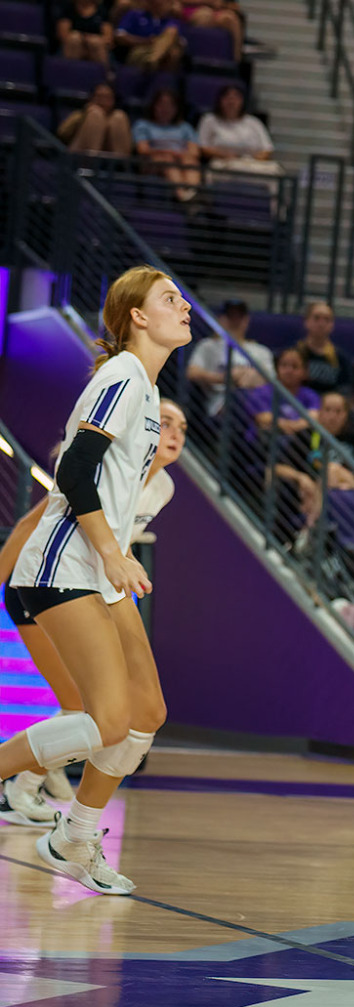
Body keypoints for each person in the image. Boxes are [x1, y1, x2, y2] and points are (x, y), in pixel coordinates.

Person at [0, 267, 189, 892]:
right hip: (66, 562)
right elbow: (74, 473)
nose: (183, 306)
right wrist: (112, 552)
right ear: (136, 315)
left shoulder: (147, 397)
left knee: (146, 713)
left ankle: (75, 836)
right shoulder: (121, 376)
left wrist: (111, 556)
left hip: (98, 568)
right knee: (106, 718)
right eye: (169, 299)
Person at [0, 398, 185, 827]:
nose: (175, 433)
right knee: (87, 707)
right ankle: (22, 787)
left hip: (89, 588)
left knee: (90, 708)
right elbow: (31, 526)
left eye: (182, 427)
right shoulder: (109, 474)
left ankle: (25, 788)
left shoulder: (164, 488)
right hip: (43, 584)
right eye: (166, 423)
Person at [247, 347, 324, 533]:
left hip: (296, 450)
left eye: (295, 366)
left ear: (304, 371)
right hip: (263, 449)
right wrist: (295, 424)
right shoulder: (262, 392)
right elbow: (263, 419)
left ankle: (308, 529)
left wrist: (284, 424)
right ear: (277, 368)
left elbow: (313, 418)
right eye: (284, 365)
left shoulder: (309, 395)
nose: (289, 370)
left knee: (306, 438)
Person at [185, 297, 275, 417]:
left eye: (239, 317)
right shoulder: (208, 345)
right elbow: (192, 372)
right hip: (221, 403)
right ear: (222, 319)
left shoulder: (261, 351)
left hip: (254, 401)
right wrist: (223, 378)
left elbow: (272, 379)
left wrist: (246, 376)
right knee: (236, 400)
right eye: (231, 317)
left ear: (246, 320)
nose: (235, 321)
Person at [130, 86, 201, 202]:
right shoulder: (143, 125)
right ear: (154, 106)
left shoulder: (185, 127)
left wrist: (178, 155)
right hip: (151, 162)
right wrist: (167, 152)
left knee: (191, 161)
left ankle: (192, 193)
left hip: (180, 160)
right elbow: (142, 149)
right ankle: (184, 197)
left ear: (176, 108)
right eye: (162, 104)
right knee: (167, 159)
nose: (166, 109)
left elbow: (194, 152)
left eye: (170, 105)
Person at [196, 84, 278, 172]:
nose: (231, 101)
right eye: (227, 98)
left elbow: (267, 149)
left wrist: (252, 159)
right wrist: (226, 155)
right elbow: (203, 147)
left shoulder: (254, 122)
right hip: (222, 162)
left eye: (236, 98)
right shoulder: (209, 120)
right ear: (219, 100)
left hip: (251, 163)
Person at [115, 0, 184, 71]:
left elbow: (181, 43)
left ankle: (153, 61)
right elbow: (120, 36)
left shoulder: (172, 20)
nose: (157, 0)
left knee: (173, 49)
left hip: (162, 58)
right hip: (139, 51)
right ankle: (152, 62)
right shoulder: (135, 14)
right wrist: (146, 41)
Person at [294, 301, 354, 396]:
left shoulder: (342, 359)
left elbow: (346, 390)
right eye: (316, 318)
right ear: (306, 322)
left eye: (327, 319)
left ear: (332, 325)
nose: (321, 324)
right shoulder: (294, 353)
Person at [57, 80, 132, 157]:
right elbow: (62, 133)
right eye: (99, 97)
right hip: (79, 155)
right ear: (92, 98)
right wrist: (84, 115)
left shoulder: (116, 117)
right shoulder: (81, 114)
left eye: (107, 97)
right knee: (95, 115)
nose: (103, 101)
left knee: (119, 116)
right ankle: (89, 164)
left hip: (109, 156)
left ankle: (120, 166)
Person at [54, 0, 113, 65]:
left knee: (96, 42)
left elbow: (108, 39)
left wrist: (90, 41)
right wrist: (83, 41)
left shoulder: (102, 11)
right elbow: (62, 35)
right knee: (74, 38)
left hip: (95, 49)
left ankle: (104, 77)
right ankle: (69, 73)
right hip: (72, 48)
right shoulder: (68, 7)